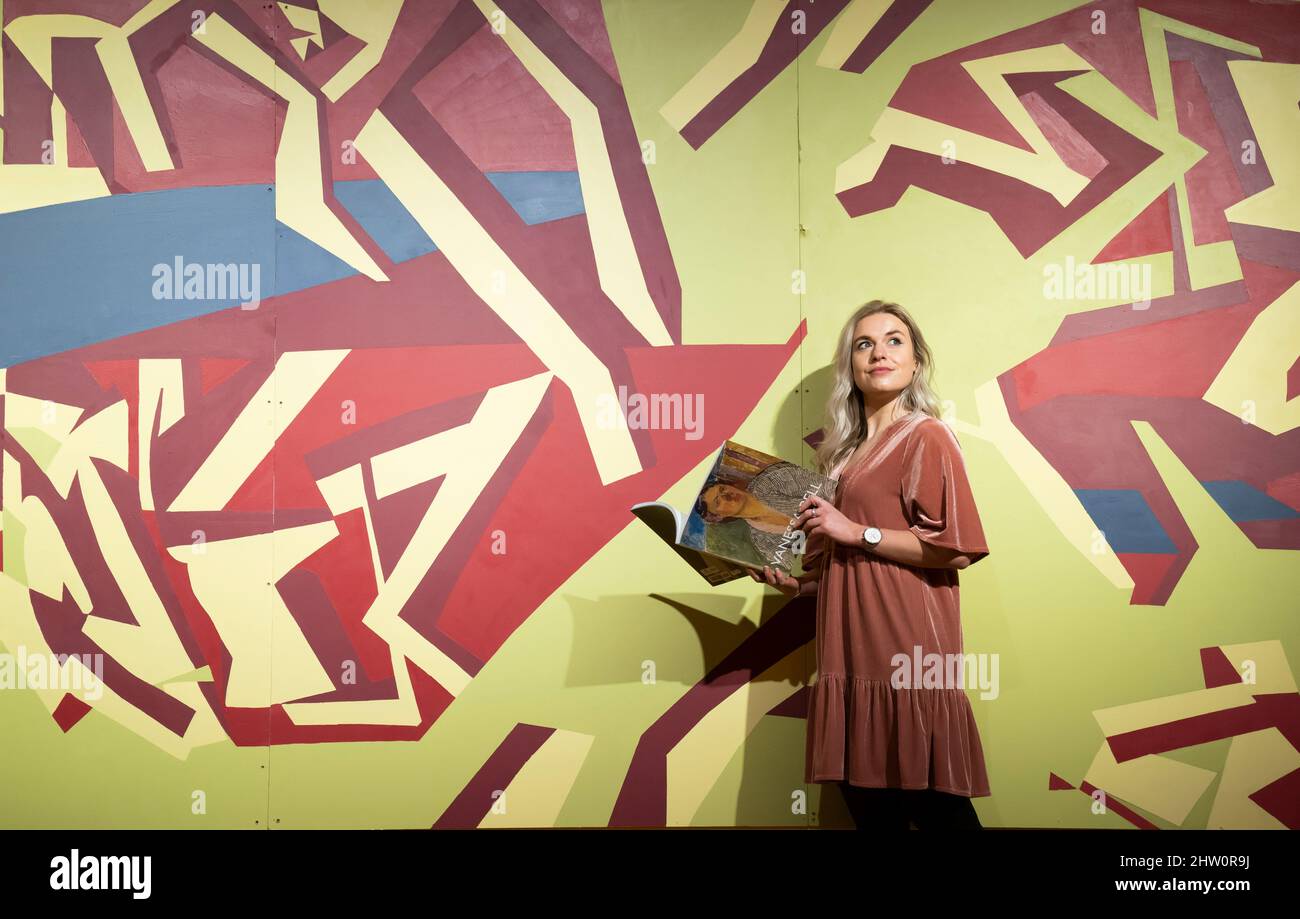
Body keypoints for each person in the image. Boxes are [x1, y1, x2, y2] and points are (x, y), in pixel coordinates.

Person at [748, 300, 992, 830]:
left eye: (894, 340)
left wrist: (857, 531)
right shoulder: (842, 456)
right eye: (865, 343)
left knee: (939, 811)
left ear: (916, 362)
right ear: (851, 367)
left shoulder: (927, 435)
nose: (879, 351)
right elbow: (849, 569)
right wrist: (798, 586)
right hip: (850, 655)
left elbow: (956, 548)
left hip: (908, 651)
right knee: (872, 814)